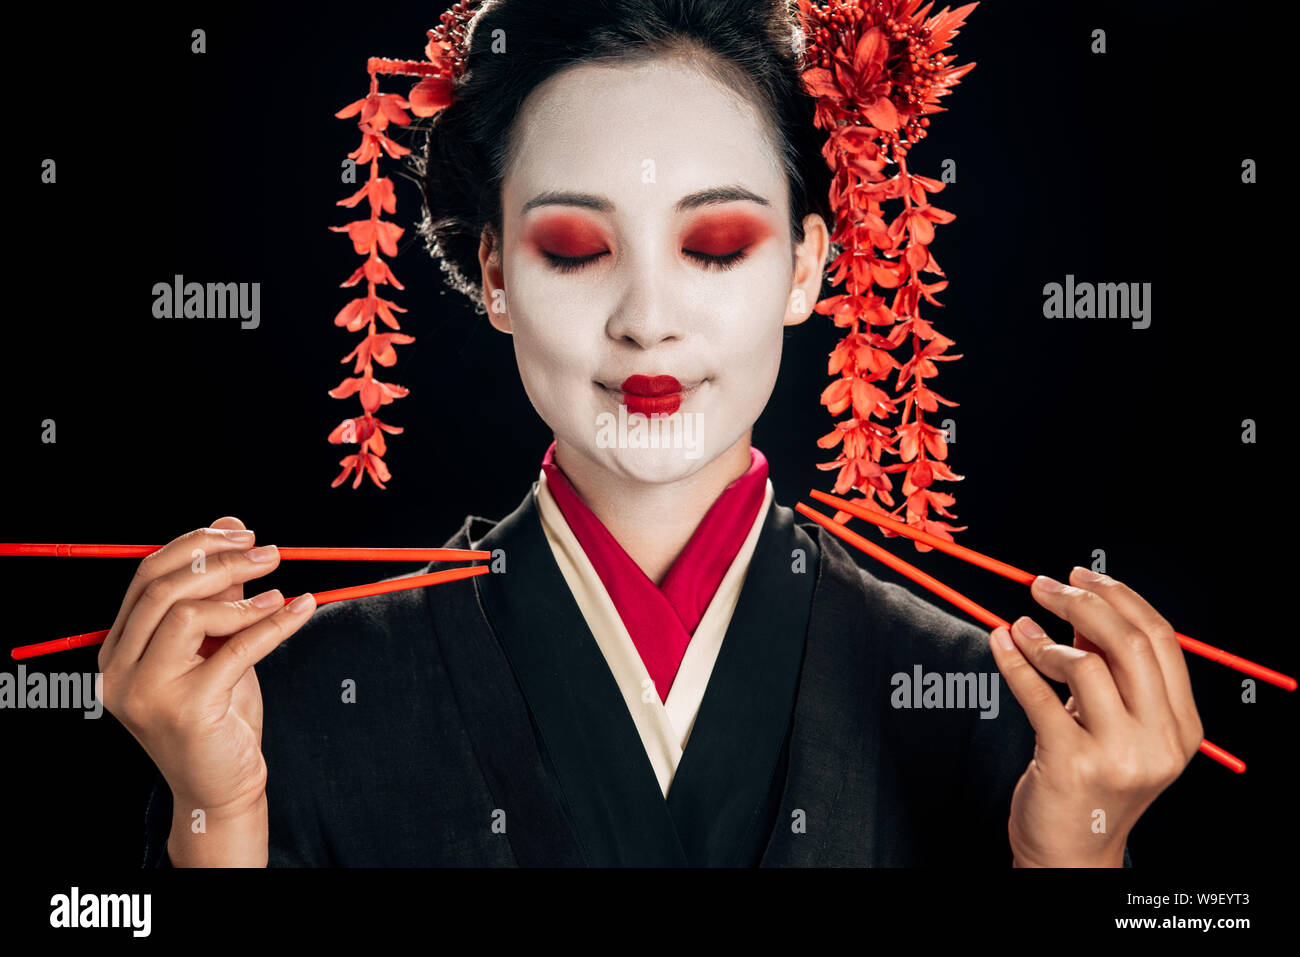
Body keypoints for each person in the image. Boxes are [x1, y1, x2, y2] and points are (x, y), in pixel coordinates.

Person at [101, 0, 1201, 867]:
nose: (646, 318)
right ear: (492, 272)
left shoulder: (993, 718)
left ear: (807, 266)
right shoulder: (279, 711)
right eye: (574, 249)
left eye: (715, 244)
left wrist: (1075, 854)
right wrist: (217, 817)